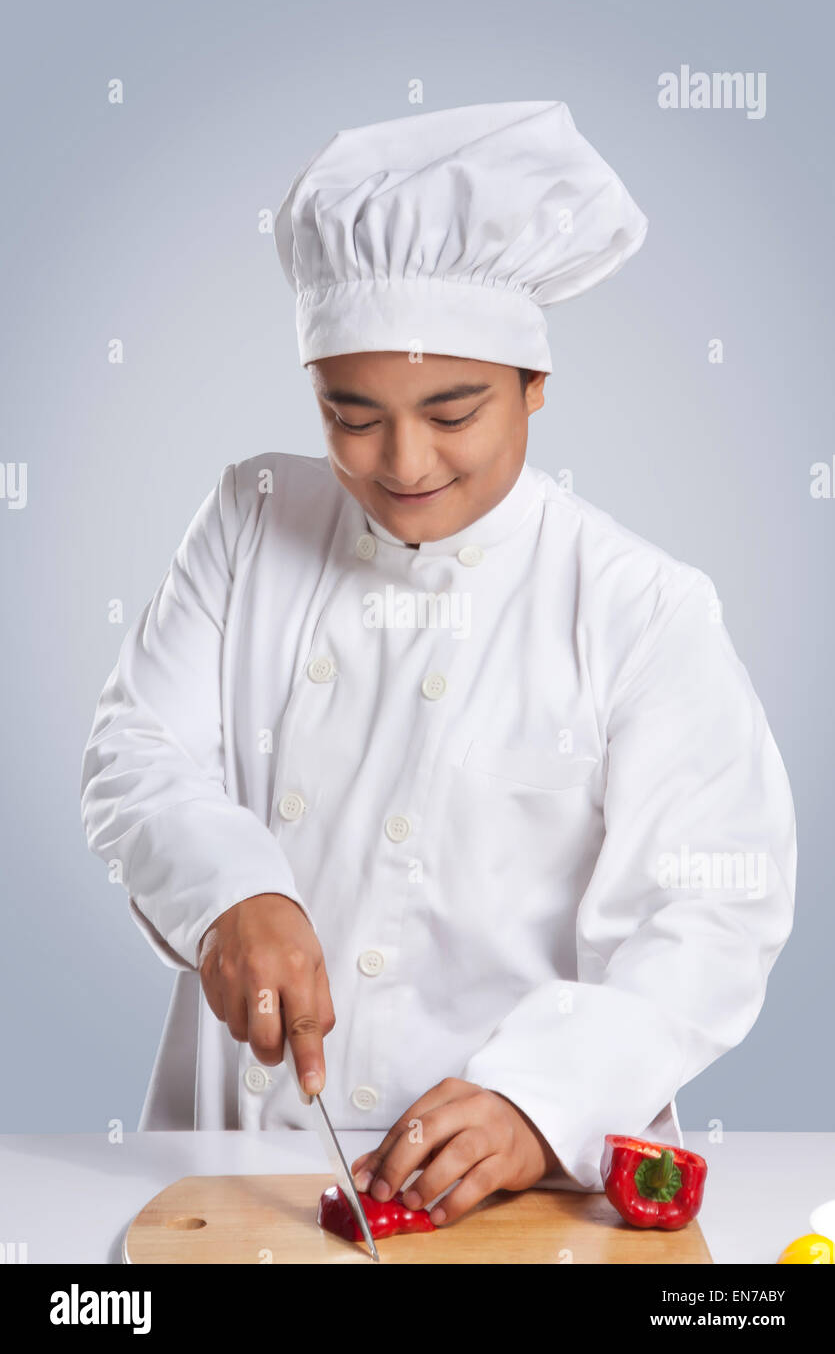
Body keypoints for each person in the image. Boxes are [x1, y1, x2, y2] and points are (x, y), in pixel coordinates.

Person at [80, 100, 796, 1223]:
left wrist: (540, 1099)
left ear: (533, 387)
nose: (403, 462)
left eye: (452, 410)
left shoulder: (642, 606)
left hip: (519, 1181)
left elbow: (708, 912)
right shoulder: (250, 512)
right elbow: (135, 750)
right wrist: (231, 891)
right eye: (350, 415)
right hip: (237, 1175)